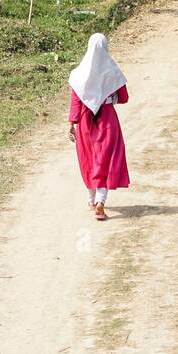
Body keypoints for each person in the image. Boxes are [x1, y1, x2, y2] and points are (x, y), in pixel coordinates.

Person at [67, 33, 130, 220]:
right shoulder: (112, 71)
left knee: (89, 157)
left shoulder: (79, 74)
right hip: (107, 119)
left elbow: (75, 102)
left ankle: (91, 198)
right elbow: (124, 97)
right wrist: (108, 96)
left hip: (86, 121)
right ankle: (101, 202)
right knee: (105, 158)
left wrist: (71, 124)